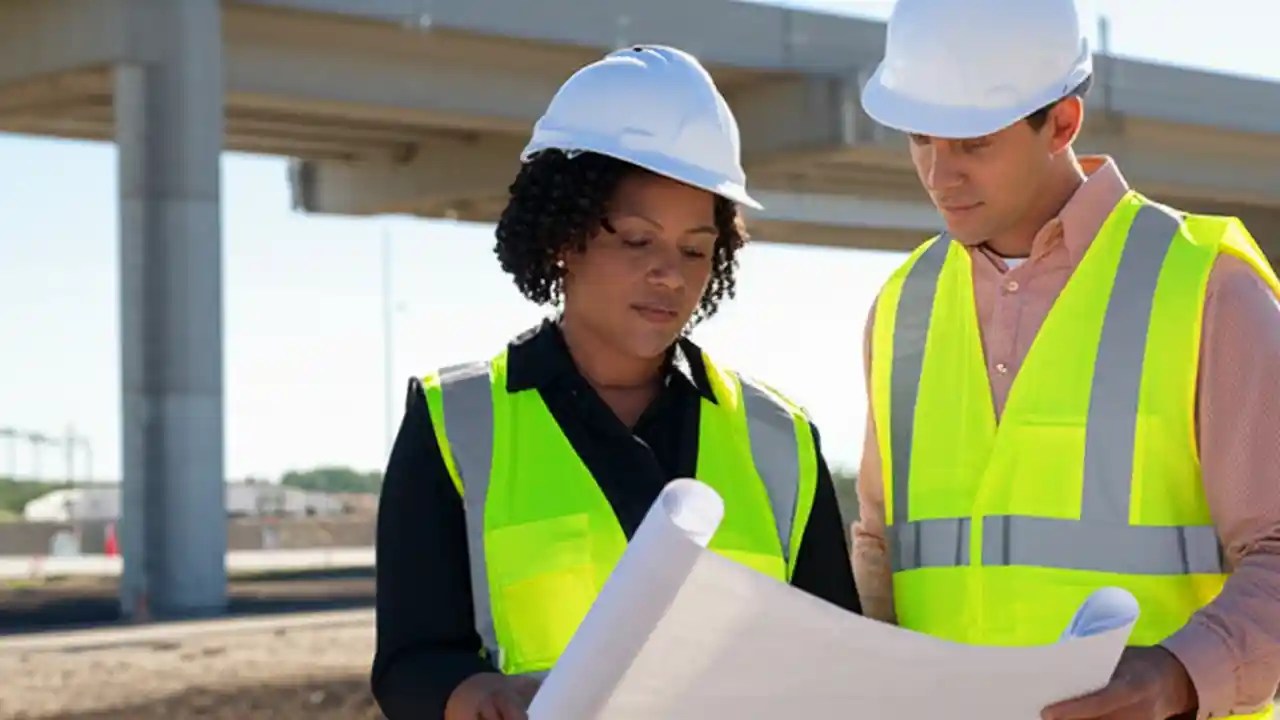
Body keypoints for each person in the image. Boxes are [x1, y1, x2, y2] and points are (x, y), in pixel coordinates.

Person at [371, 45, 861, 720]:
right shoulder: (454, 425)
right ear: (562, 238)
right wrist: (478, 697)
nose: (671, 273)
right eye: (637, 241)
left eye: (695, 249)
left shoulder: (780, 439)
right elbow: (410, 661)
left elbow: (836, 668)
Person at [850, 1, 1280, 718]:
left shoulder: (1209, 290)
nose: (939, 174)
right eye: (920, 138)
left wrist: (1179, 675)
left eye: (973, 143)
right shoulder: (903, 307)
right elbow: (882, 548)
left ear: (1063, 123)